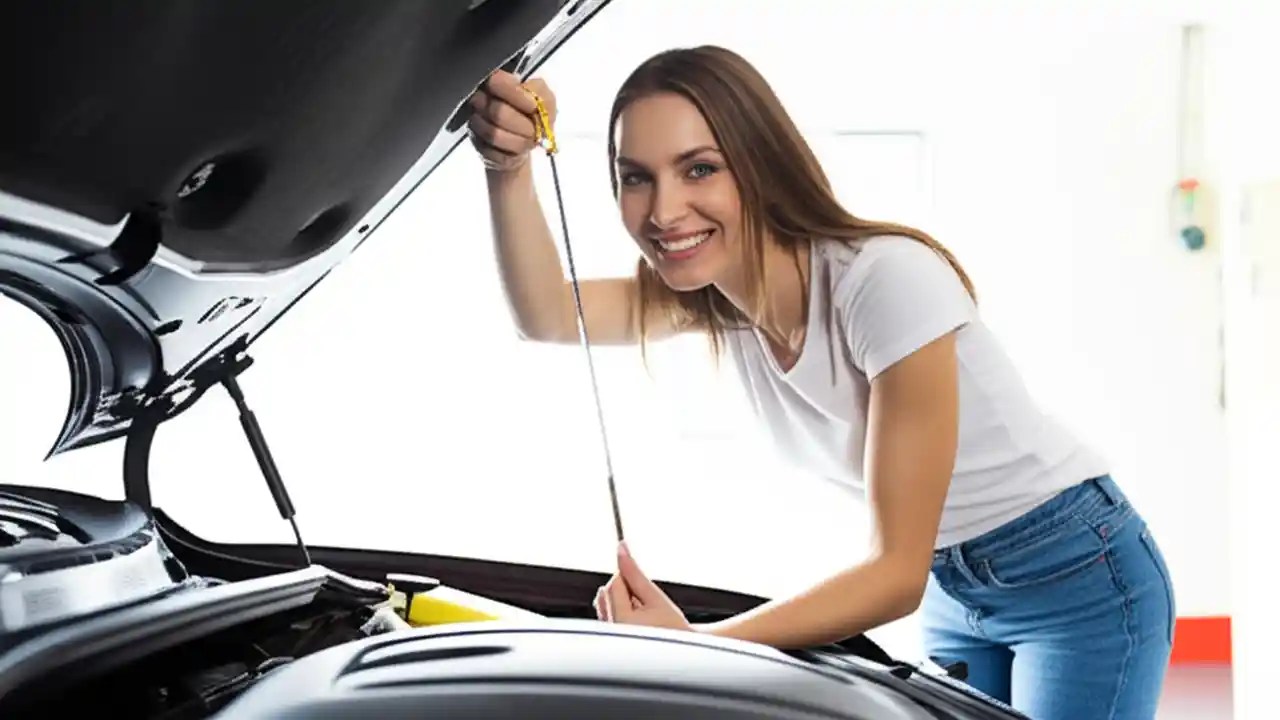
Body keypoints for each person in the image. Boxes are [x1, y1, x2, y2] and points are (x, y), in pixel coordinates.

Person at [465, 45, 1176, 719]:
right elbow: (550, 314)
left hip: (1078, 575)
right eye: (636, 177)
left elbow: (892, 574)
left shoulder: (885, 281)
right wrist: (509, 167)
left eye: (700, 168)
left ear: (759, 164)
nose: (663, 211)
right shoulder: (718, 302)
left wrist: (693, 650)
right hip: (953, 585)